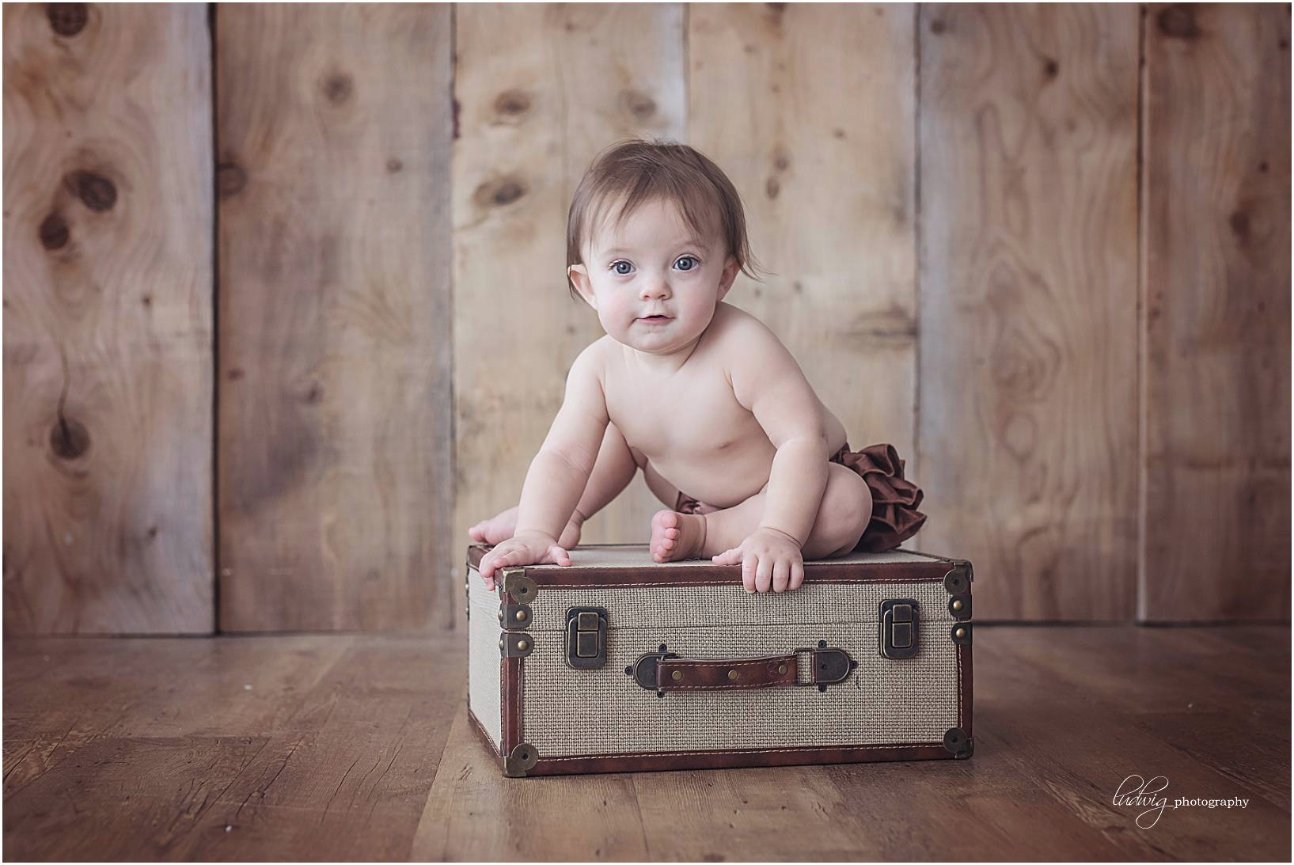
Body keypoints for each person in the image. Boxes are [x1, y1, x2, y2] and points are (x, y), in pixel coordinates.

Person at [473, 139, 925, 593]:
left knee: (846, 502)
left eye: (683, 263)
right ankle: (556, 516)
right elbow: (564, 456)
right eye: (624, 267)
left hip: (797, 487)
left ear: (724, 277)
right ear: (588, 285)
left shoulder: (743, 346)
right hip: (692, 492)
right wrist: (537, 530)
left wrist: (779, 532)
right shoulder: (598, 368)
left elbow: (800, 438)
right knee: (615, 440)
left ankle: (708, 535)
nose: (654, 288)